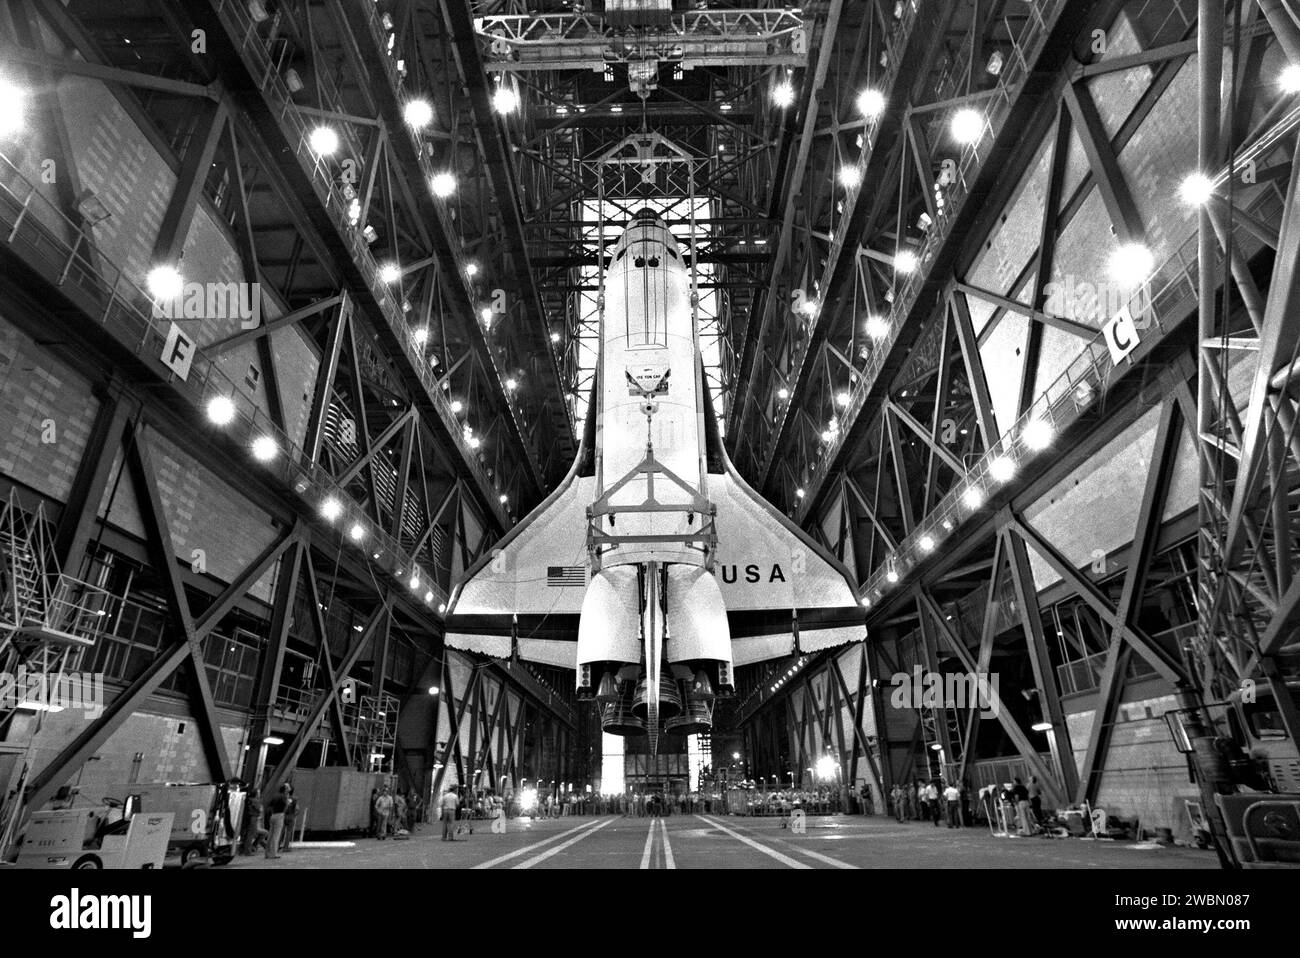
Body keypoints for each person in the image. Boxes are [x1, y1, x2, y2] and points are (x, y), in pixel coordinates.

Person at [242, 788, 268, 855]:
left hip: (250, 817)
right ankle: (248, 850)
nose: (259, 794)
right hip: (253, 817)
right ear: (256, 793)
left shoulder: (250, 800)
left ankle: (250, 848)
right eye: (258, 792)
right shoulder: (256, 801)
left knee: (250, 834)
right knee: (251, 834)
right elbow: (260, 809)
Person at [265, 784, 288, 860]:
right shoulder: (284, 797)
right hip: (279, 815)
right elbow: (286, 806)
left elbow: (269, 805)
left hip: (273, 815)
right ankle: (273, 853)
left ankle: (267, 853)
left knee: (270, 835)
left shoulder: (275, 796)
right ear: (285, 790)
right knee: (276, 836)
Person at [281, 783, 298, 852]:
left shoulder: (284, 797)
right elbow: (296, 808)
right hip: (291, 816)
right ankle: (285, 847)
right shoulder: (295, 798)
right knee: (288, 832)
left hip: (284, 815)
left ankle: (276, 846)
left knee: (281, 832)